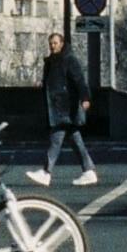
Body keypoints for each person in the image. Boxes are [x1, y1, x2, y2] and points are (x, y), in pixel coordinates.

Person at [31, 31, 99, 189]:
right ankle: (89, 171)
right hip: (58, 106)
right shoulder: (51, 62)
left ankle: (46, 172)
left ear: (61, 43)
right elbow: (50, 82)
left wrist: (85, 98)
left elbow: (80, 80)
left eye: (55, 43)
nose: (52, 46)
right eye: (50, 43)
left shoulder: (69, 60)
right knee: (75, 139)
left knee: (56, 139)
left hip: (66, 106)